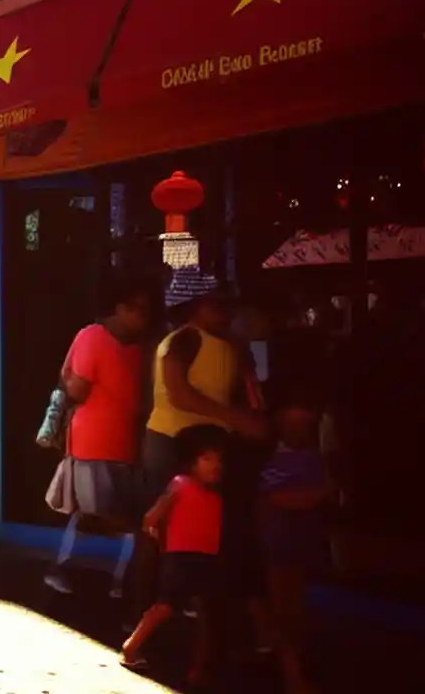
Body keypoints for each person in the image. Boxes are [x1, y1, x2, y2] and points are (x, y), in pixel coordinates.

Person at [134, 268, 269, 630]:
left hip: (205, 449)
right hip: (171, 444)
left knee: (201, 529)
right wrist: (237, 419)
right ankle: (142, 610)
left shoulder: (226, 344)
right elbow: (179, 393)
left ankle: (185, 606)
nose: (225, 310)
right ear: (194, 306)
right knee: (161, 530)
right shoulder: (184, 340)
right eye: (215, 303)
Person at [45, 277, 153, 599]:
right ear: (121, 309)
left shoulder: (137, 346)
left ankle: (105, 577)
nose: (144, 319)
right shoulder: (93, 336)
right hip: (94, 442)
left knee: (105, 513)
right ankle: (70, 570)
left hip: (123, 444)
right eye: (140, 311)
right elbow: (76, 388)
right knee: (97, 514)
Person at [122, 424, 228, 687]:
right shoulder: (180, 485)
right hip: (180, 558)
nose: (214, 465)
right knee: (165, 606)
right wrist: (160, 538)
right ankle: (131, 647)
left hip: (207, 560)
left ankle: (197, 671)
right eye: (207, 459)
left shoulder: (216, 498)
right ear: (191, 462)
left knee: (206, 615)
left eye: (218, 460)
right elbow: (151, 517)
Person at [259, 391, 332, 694]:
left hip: (300, 544)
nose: (298, 430)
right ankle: (289, 672)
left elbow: (322, 492)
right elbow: (268, 498)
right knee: (277, 606)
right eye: (293, 423)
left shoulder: (314, 458)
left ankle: (291, 663)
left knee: (295, 606)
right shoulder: (267, 457)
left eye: (304, 424)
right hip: (273, 544)